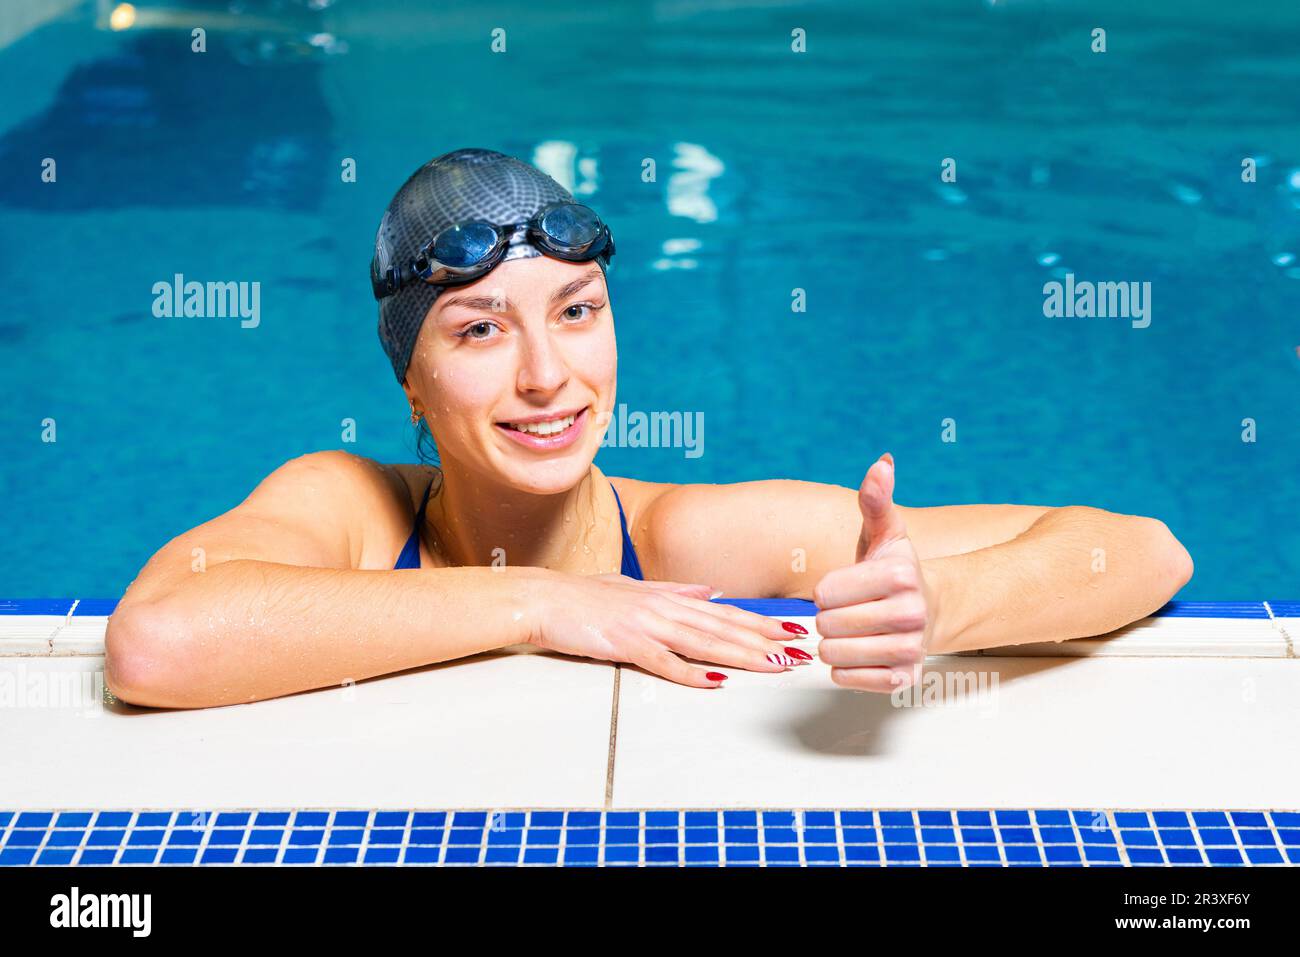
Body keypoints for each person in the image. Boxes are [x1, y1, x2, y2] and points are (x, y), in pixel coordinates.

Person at [105, 148, 1193, 709]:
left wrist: (944, 605)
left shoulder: (692, 544)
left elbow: (1142, 548)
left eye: (577, 314)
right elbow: (156, 643)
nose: (548, 378)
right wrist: (537, 602)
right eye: (480, 330)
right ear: (412, 385)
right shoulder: (346, 502)